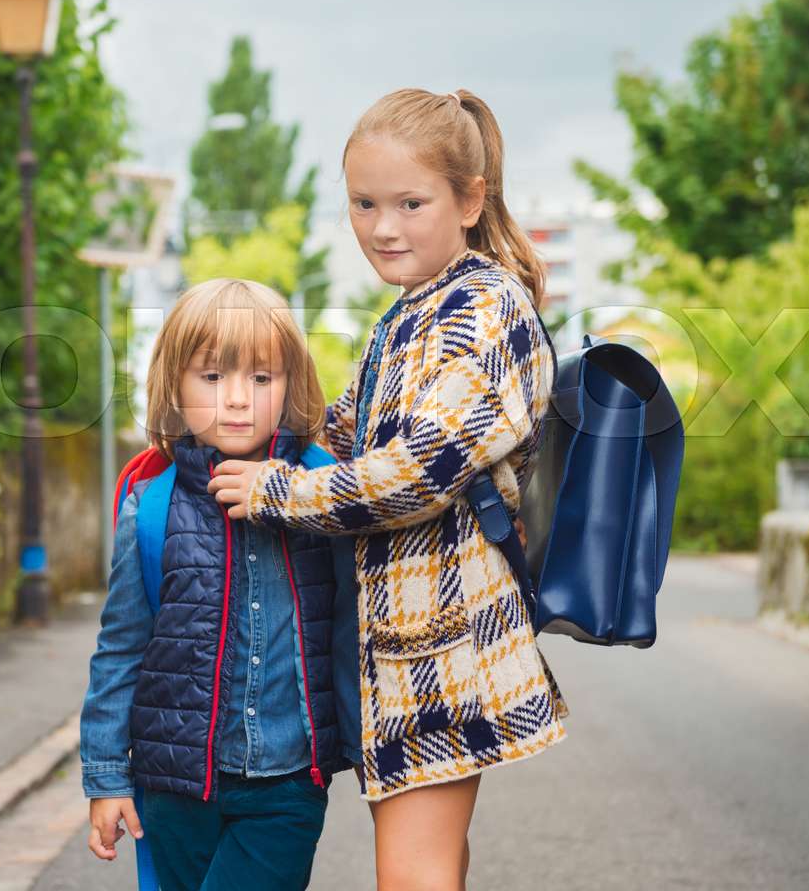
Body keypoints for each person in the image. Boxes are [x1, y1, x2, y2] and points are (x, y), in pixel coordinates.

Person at [208, 87, 569, 891]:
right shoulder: (410, 312)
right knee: (432, 869)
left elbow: (419, 472)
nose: (383, 227)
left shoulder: (483, 310)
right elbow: (335, 435)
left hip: (441, 647)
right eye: (364, 204)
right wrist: (228, 426)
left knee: (414, 875)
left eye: (411, 202)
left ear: (470, 199)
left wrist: (275, 491)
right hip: (400, 648)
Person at [79, 277, 350, 891]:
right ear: (174, 386)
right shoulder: (149, 508)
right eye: (211, 377)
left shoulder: (325, 496)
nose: (237, 400)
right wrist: (106, 778)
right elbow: (121, 649)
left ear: (291, 387)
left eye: (261, 378)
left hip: (288, 784)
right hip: (175, 787)